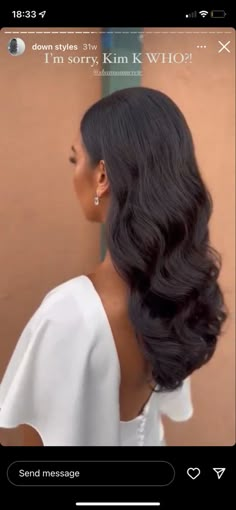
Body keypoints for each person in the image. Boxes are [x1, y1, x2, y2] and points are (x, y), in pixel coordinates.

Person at [0, 87, 227, 446]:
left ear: (102, 175)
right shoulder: (172, 298)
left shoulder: (68, 313)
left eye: (75, 159)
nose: (74, 173)